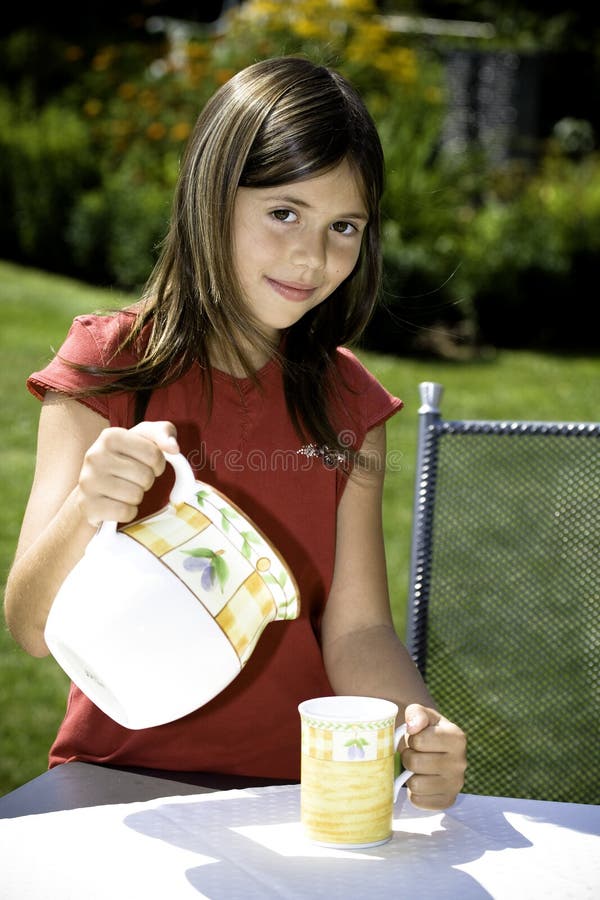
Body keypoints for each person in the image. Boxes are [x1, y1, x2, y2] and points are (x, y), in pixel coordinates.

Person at [4, 56, 466, 809]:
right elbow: (29, 625)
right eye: (284, 212)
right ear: (210, 197)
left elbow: (355, 631)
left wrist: (415, 722)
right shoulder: (108, 365)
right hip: (112, 785)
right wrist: (89, 509)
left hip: (298, 796)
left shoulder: (351, 405)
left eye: (342, 226)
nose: (312, 257)